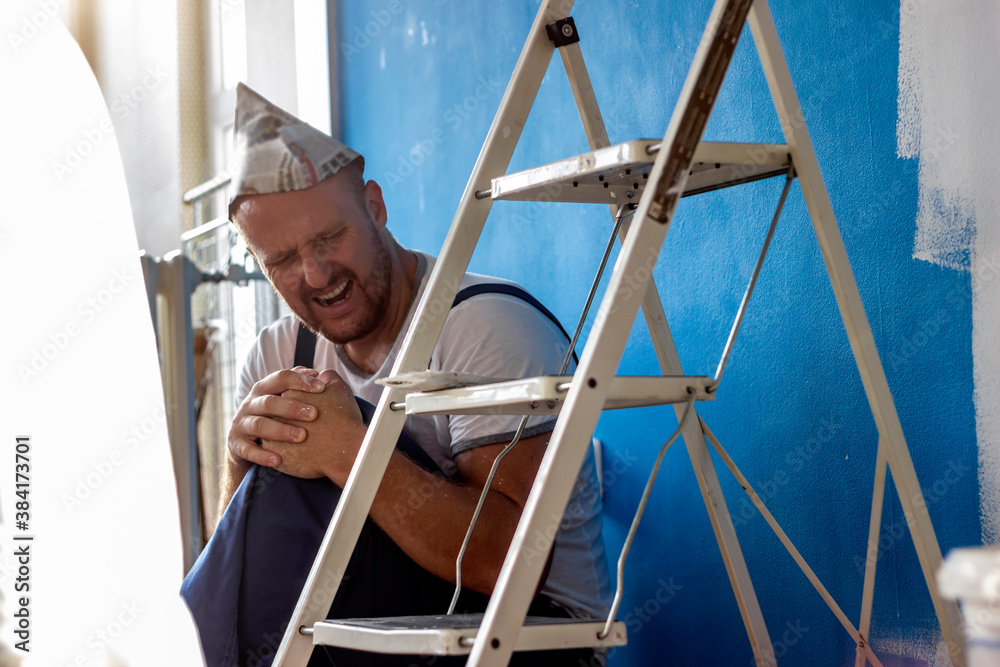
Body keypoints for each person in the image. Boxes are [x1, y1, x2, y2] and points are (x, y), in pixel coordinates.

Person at [182, 83, 610, 667]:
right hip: (376, 625)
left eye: (329, 237)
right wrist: (239, 459)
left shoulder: (483, 325)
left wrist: (347, 450)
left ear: (375, 207)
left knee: (317, 420)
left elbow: (510, 565)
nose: (314, 273)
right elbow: (245, 563)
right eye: (281, 260)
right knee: (283, 442)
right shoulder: (279, 350)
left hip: (532, 639)